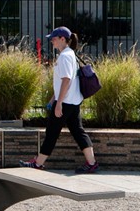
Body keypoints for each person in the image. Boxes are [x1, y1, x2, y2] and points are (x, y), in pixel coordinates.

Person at [21, 27, 98, 174]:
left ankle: (38, 163)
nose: (52, 41)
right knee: (78, 132)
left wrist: (59, 103)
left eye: (54, 38)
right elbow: (67, 81)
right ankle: (92, 163)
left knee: (52, 132)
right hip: (73, 101)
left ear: (63, 39)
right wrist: (53, 98)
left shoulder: (64, 56)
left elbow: (66, 80)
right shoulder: (70, 54)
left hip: (66, 102)